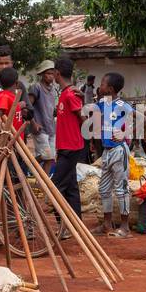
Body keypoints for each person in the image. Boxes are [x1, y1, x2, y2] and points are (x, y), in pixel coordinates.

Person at [94, 72, 133, 237]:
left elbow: (137, 120)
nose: (100, 86)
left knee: (121, 188)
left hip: (119, 150)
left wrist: (125, 134)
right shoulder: (103, 103)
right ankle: (107, 224)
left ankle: (125, 227)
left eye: (102, 83)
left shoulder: (123, 106)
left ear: (110, 88)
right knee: (104, 188)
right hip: (107, 151)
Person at [51, 57, 85, 224]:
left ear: (57, 73)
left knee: (55, 187)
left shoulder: (71, 94)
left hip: (70, 147)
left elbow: (84, 120)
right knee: (71, 186)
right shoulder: (65, 94)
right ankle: (76, 223)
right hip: (67, 146)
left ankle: (63, 224)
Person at [29, 62, 60, 173]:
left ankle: (44, 183)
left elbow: (52, 108)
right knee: (46, 155)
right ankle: (29, 163)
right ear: (42, 74)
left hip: (51, 128)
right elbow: (28, 108)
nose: (51, 76)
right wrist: (34, 123)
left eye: (53, 74)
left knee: (50, 158)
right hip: (40, 128)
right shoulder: (36, 87)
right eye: (48, 73)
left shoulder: (53, 89)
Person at [0, 67, 26, 132]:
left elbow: (10, 111)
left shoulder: (12, 97)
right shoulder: (4, 96)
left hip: (17, 137)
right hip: (9, 138)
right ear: (17, 83)